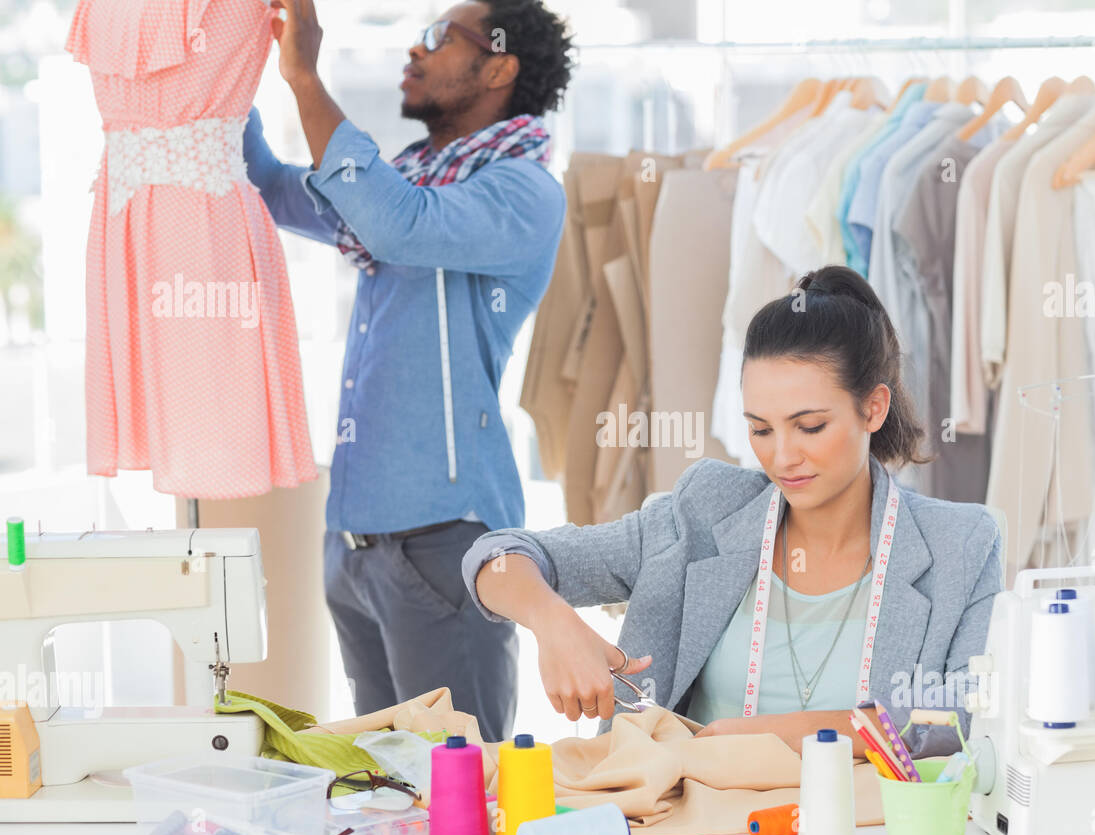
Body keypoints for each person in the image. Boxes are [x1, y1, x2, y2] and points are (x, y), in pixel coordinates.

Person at [462, 266, 1003, 756]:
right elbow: (495, 557)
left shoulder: (959, 544)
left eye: (810, 426)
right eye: (760, 429)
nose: (782, 457)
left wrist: (757, 737)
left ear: (874, 408)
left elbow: (957, 721)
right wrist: (552, 622)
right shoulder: (705, 513)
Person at [244, 0, 574, 741]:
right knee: (388, 794)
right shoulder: (404, 180)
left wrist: (304, 78)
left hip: (444, 546)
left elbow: (402, 225)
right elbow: (266, 185)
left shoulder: (523, 193)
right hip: (355, 545)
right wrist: (227, 72)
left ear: (498, 67)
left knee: (463, 799)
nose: (413, 52)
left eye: (437, 38)